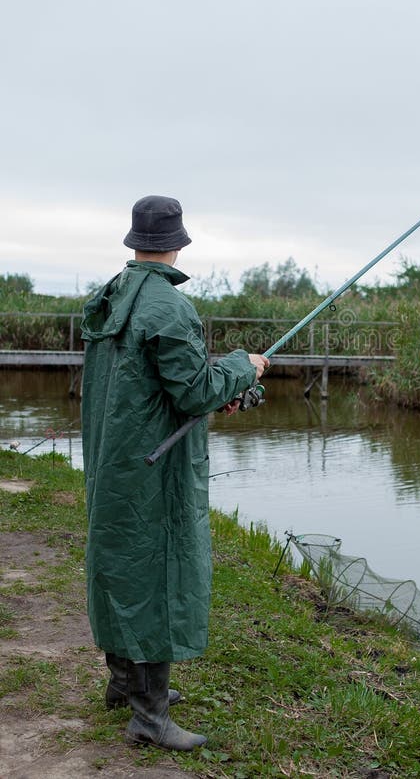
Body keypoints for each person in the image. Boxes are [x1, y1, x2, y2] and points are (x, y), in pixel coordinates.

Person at [80, 195, 268, 751]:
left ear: (134, 242)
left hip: (115, 461)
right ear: (180, 243)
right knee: (159, 573)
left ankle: (123, 683)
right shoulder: (170, 307)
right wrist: (243, 366)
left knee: (117, 563)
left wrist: (222, 387)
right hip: (154, 470)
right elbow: (195, 390)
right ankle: (149, 715)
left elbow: (159, 381)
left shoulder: (111, 296)